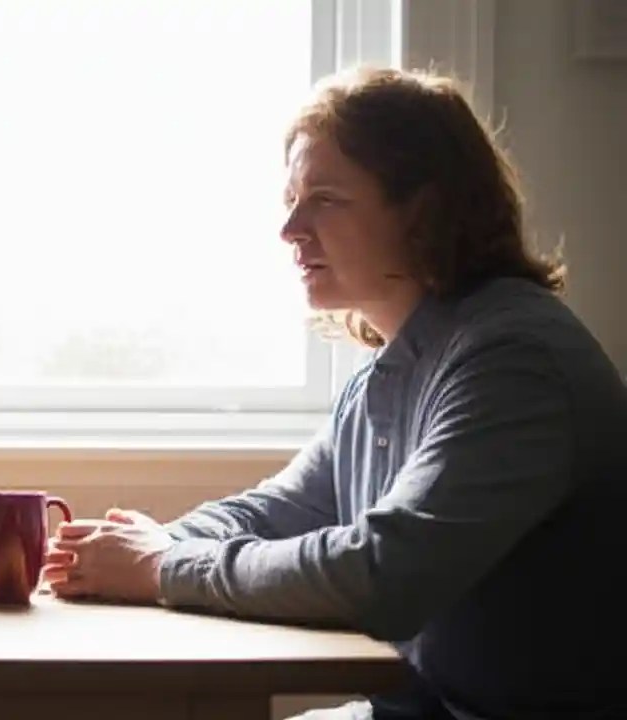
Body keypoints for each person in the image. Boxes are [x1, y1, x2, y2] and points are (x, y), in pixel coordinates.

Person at [42, 67, 627, 719]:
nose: (289, 228)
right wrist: (135, 551)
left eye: (324, 198)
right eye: (291, 198)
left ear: (424, 210)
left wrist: (160, 567)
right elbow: (278, 511)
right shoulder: (391, 370)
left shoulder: (514, 361)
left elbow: (382, 574)